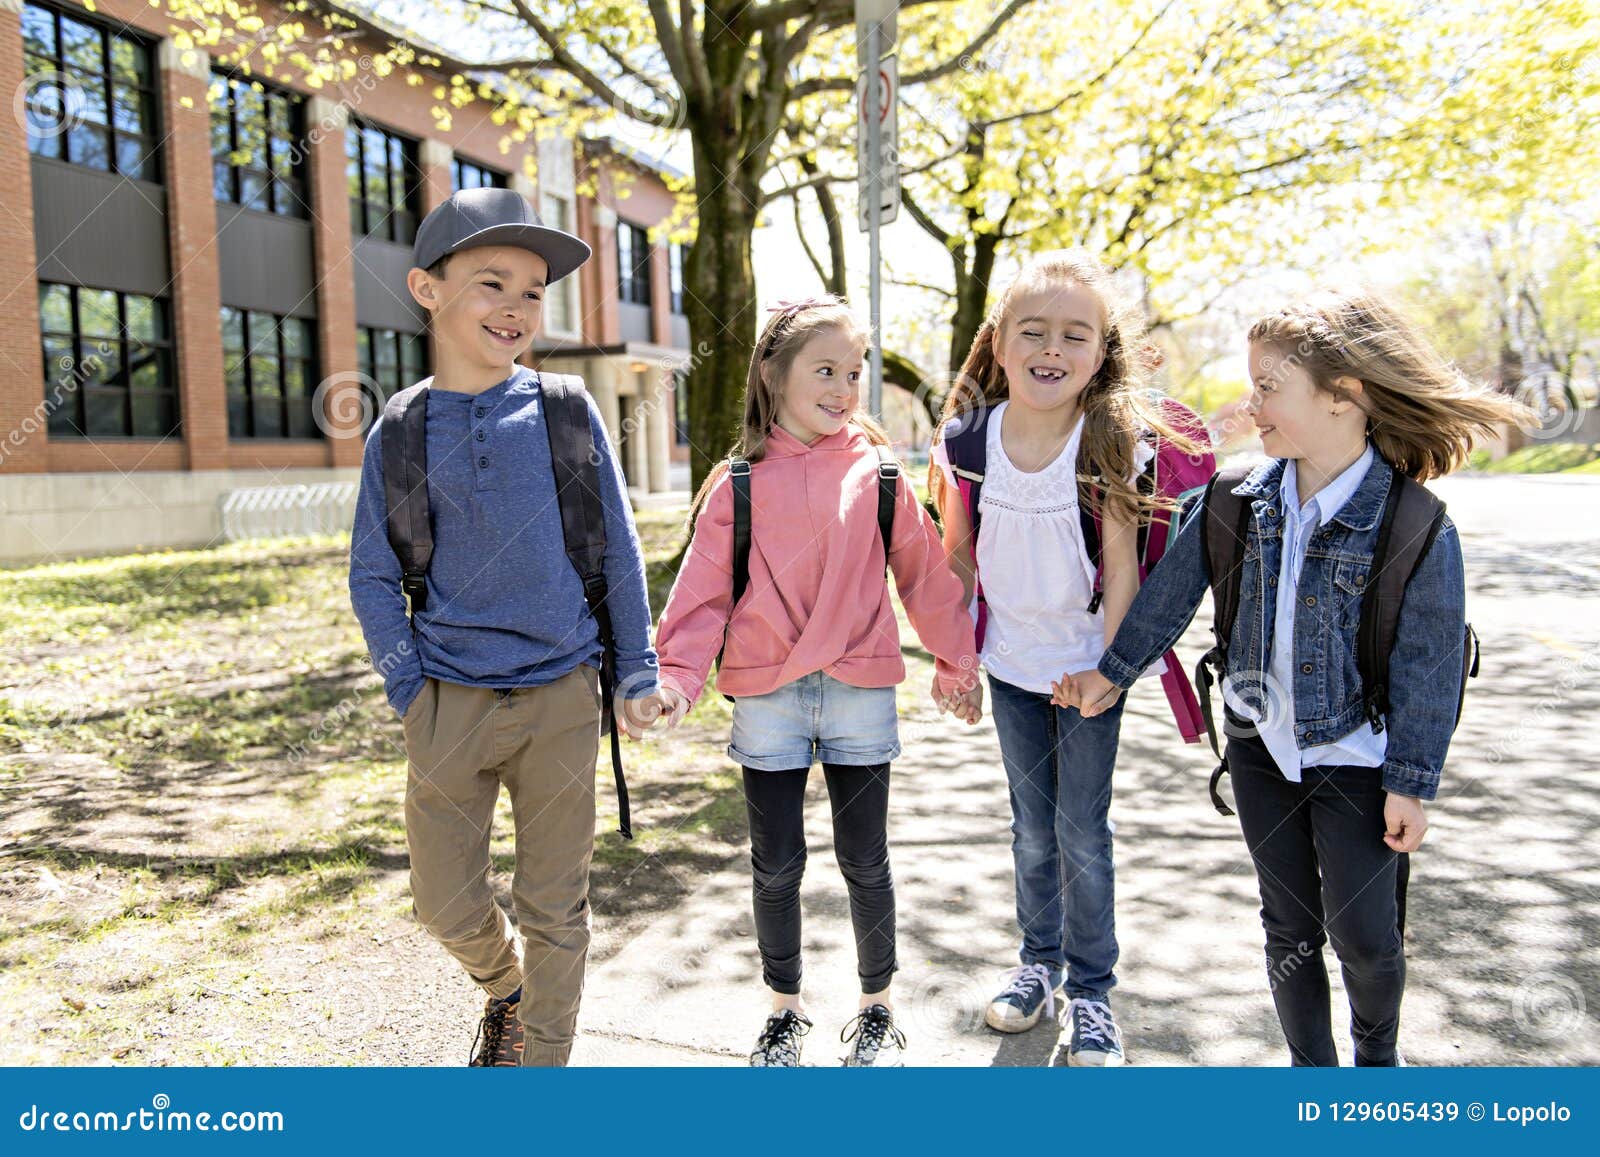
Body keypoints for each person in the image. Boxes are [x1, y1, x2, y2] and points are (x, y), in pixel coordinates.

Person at [1065, 288, 1532, 1066]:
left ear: (1345, 398)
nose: (1252, 406)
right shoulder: (1233, 499)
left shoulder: (1415, 524)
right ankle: (1310, 1080)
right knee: (1288, 930)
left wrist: (1412, 781)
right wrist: (1108, 676)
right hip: (1262, 752)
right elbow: (1168, 602)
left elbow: (1431, 666)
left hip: (1358, 759)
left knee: (1367, 939)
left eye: (1269, 387)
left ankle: (1375, 1065)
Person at [348, 187, 659, 1067]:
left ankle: (541, 1070)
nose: (516, 307)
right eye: (492, 283)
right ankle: (506, 988)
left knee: (555, 905)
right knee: (442, 900)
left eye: (531, 290)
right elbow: (372, 573)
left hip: (562, 694)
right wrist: (411, 690)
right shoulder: (401, 430)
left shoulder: (566, 410)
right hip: (448, 699)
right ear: (427, 288)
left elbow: (621, 552)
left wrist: (636, 669)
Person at [647, 296, 982, 1067]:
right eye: (824, 370)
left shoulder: (882, 474)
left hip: (860, 691)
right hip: (767, 697)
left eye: (854, 373)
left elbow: (926, 580)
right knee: (777, 863)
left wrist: (957, 663)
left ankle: (875, 1007)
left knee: (866, 858)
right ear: (773, 372)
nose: (841, 387)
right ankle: (784, 1009)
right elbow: (701, 597)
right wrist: (674, 679)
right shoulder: (736, 482)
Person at [928, 249, 1203, 1065]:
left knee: (1081, 827)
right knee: (1031, 829)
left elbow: (1121, 566)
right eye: (1034, 331)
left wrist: (1109, 674)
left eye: (1074, 335)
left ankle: (1091, 991)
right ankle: (1037, 966)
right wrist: (956, 660)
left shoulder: (1107, 438)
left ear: (1100, 351)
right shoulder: (967, 439)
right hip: (1013, 667)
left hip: (1086, 670)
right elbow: (957, 557)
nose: (1053, 348)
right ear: (1001, 343)